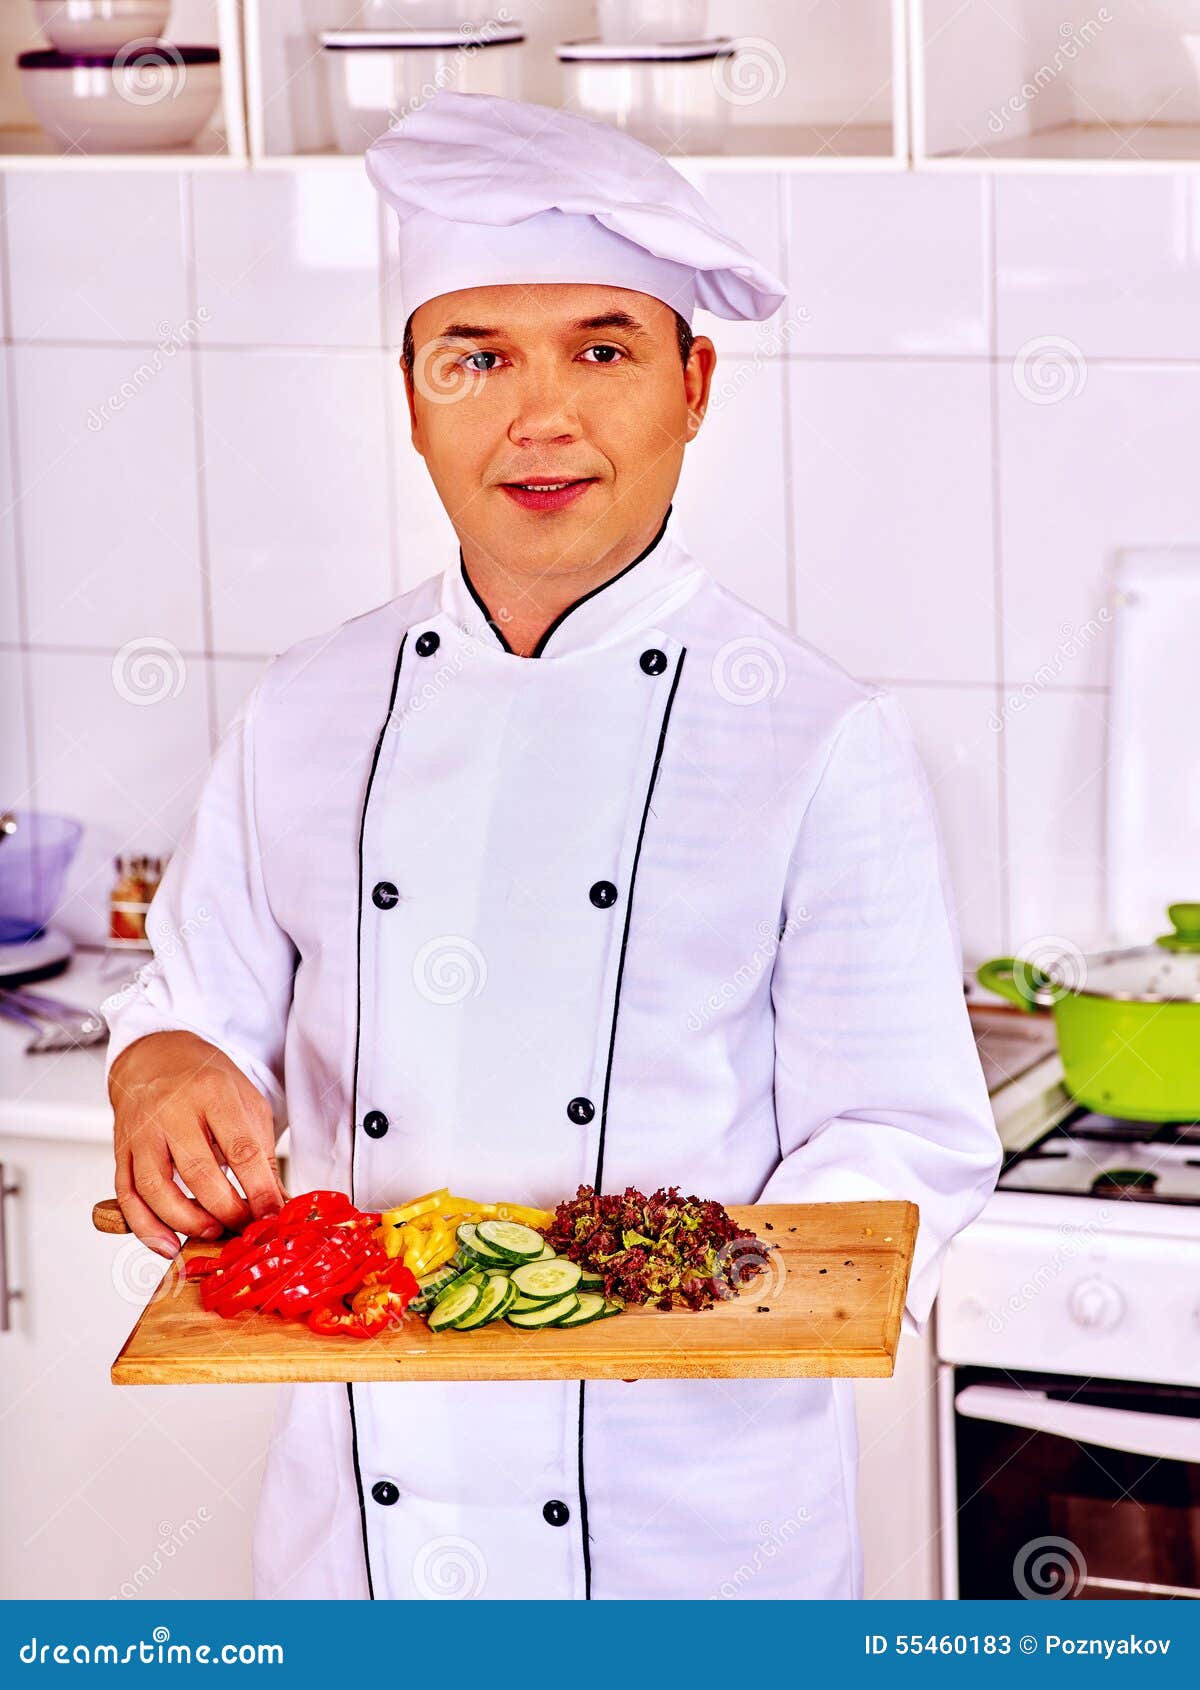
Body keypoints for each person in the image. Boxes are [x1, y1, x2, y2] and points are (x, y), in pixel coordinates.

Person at [104, 91, 1002, 1601]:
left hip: (696, 1543)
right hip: (365, 1551)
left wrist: (660, 1286)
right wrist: (163, 1065)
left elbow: (903, 1137)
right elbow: (192, 1009)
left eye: (602, 350)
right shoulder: (305, 710)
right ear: (408, 395)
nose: (541, 417)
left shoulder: (814, 737)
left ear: (695, 383)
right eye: (476, 357)